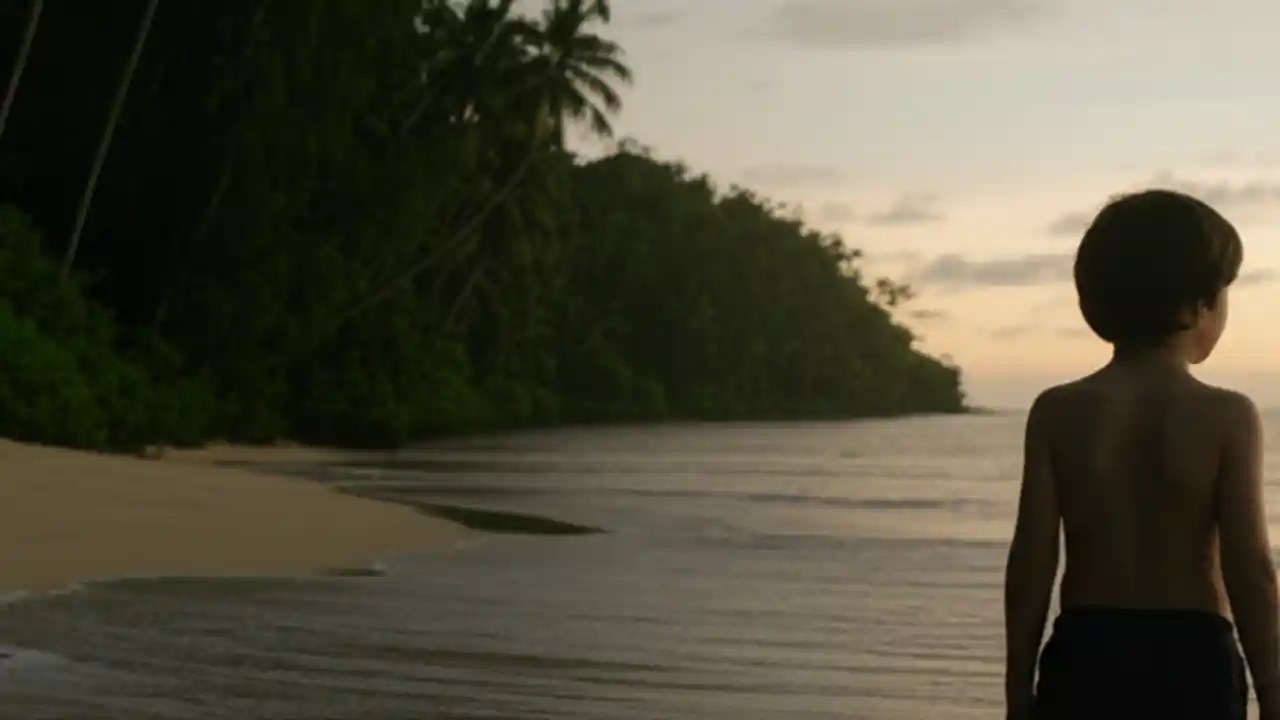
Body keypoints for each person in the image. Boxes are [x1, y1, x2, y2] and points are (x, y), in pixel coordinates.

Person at [1003, 189, 1280, 720]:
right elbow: (1251, 566)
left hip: (1087, 650)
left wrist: (1018, 687)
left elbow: (1032, 560)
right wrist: (1272, 689)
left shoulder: (1058, 411)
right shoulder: (1227, 416)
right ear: (1202, 304)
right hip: (1193, 656)